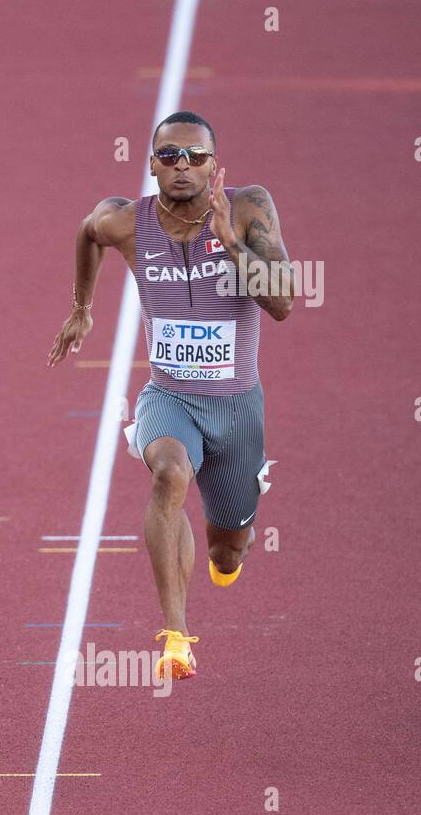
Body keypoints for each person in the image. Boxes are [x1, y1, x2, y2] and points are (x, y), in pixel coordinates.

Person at [48, 111, 295, 681]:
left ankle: (227, 551)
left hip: (236, 406)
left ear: (215, 163)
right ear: (153, 163)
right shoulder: (127, 221)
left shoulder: (250, 206)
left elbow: (283, 304)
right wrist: (81, 309)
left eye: (195, 156)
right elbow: (88, 232)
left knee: (227, 547)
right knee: (169, 474)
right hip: (169, 395)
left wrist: (232, 244)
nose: (182, 166)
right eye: (169, 156)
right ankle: (177, 635)